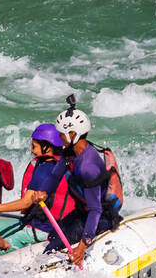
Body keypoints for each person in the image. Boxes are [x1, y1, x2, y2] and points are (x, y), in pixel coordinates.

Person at [53, 99, 124, 265]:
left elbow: (95, 209)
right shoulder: (70, 153)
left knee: (57, 246)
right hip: (82, 214)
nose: (59, 137)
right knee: (54, 239)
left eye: (61, 134)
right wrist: (39, 192)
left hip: (100, 219)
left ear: (72, 134)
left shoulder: (88, 167)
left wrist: (83, 246)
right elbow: (53, 177)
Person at [0, 123, 74, 240]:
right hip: (56, 227)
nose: (32, 151)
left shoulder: (46, 168)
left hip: (40, 230)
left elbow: (25, 203)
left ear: (47, 147)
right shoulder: (65, 164)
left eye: (34, 146)